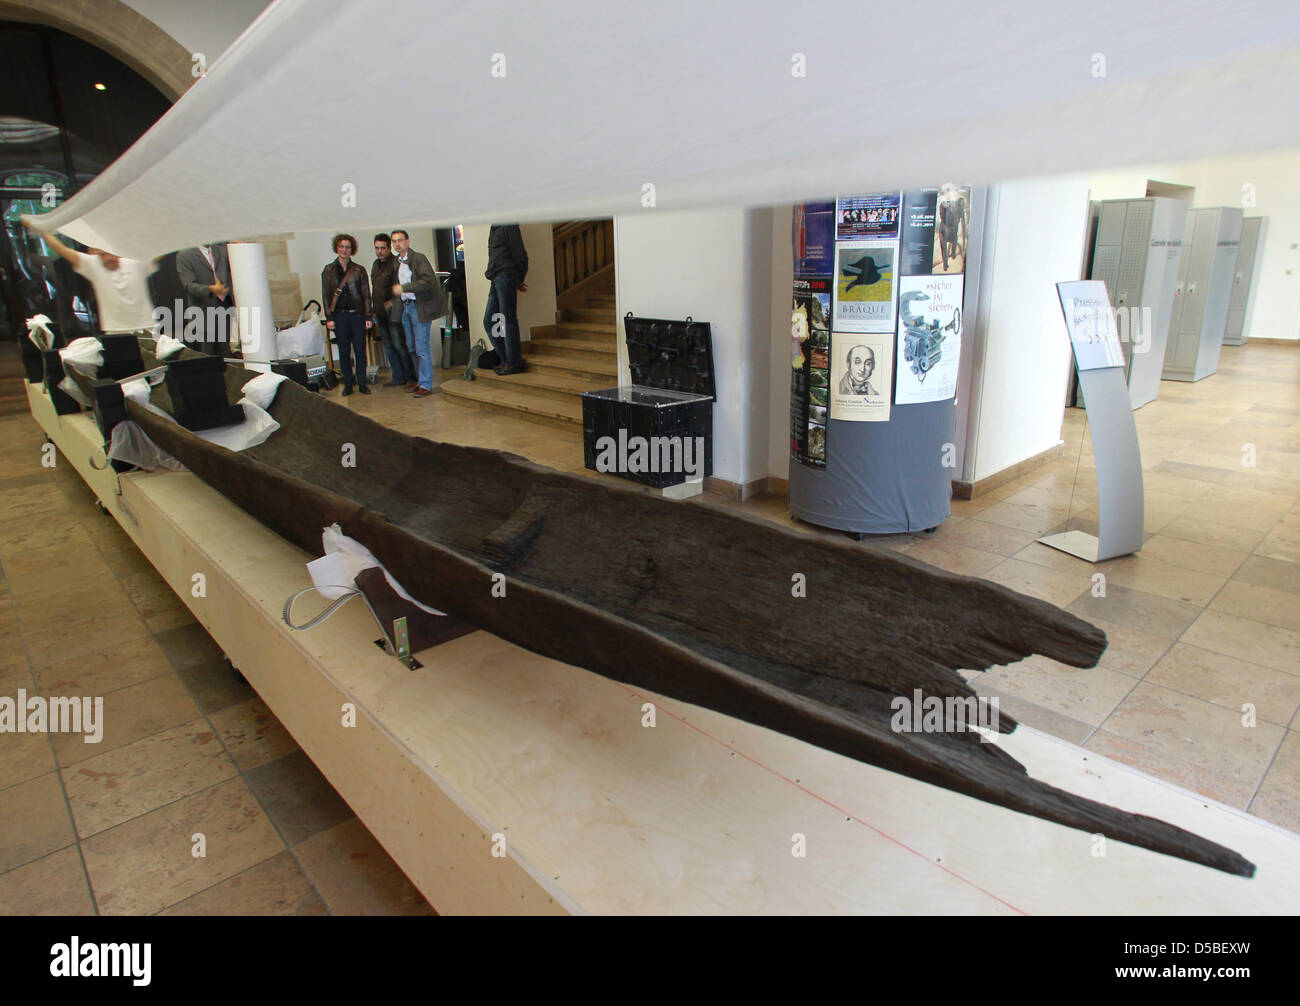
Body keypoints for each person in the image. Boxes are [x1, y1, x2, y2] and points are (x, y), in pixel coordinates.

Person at [21, 219, 157, 335]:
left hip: (147, 328)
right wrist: (39, 228)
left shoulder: (136, 263)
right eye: (103, 254)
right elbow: (60, 248)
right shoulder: (94, 266)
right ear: (93, 253)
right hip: (115, 331)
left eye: (112, 253)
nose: (109, 257)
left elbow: (160, 249)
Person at [389, 229, 445, 398]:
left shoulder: (418, 258)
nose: (397, 244)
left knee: (421, 347)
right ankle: (419, 381)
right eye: (394, 241)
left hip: (418, 307)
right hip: (405, 307)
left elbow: (428, 281)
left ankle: (426, 384)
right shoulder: (396, 262)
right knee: (411, 346)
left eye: (400, 240)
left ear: (407, 241)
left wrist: (404, 288)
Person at [321, 233, 373, 396]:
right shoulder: (328, 270)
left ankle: (362, 383)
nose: (344, 250)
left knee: (360, 351)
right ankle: (348, 384)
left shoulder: (359, 270)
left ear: (352, 249)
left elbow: (366, 294)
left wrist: (368, 316)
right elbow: (326, 295)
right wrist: (329, 318)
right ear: (337, 248)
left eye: (347, 247)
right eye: (342, 246)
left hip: (357, 315)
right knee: (344, 351)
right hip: (339, 316)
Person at [369, 233, 414, 387]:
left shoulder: (396, 263)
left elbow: (399, 287)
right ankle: (398, 377)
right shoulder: (376, 264)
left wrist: (391, 303)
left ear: (389, 248)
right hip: (380, 313)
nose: (380, 251)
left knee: (400, 345)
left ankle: (410, 378)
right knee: (388, 346)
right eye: (377, 248)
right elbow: (376, 288)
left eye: (383, 248)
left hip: (395, 312)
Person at [483, 223, 528, 375]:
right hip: (496, 277)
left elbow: (520, 254)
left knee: (507, 319)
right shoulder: (494, 227)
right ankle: (506, 359)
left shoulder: (509, 225)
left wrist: (518, 278)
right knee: (490, 320)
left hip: (506, 275)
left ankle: (513, 362)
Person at [176, 242, 235, 356]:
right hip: (202, 311)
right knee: (207, 353)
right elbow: (189, 286)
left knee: (226, 351)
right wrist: (211, 289)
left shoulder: (220, 250)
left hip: (224, 308)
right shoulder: (185, 255)